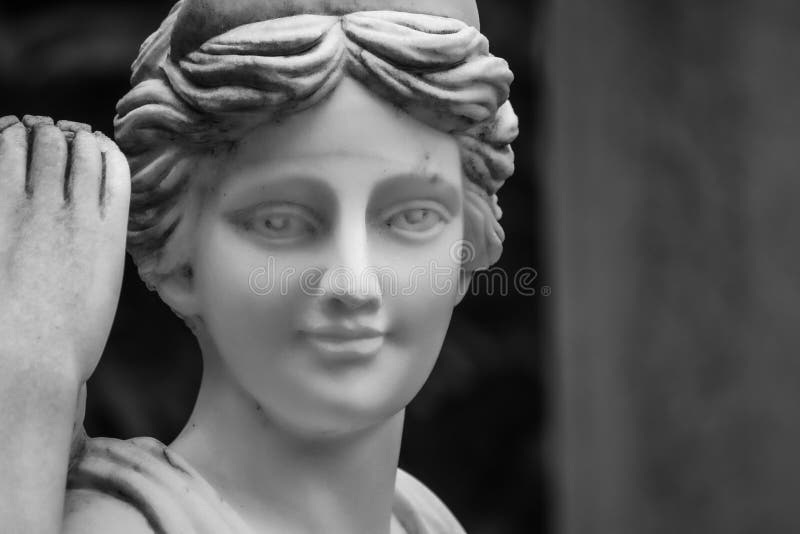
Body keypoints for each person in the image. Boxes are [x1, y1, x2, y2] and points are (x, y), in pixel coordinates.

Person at [0, 0, 517, 532]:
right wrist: (31, 395)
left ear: (465, 254)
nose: (354, 283)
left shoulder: (422, 520)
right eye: (279, 223)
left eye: (412, 217)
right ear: (179, 260)